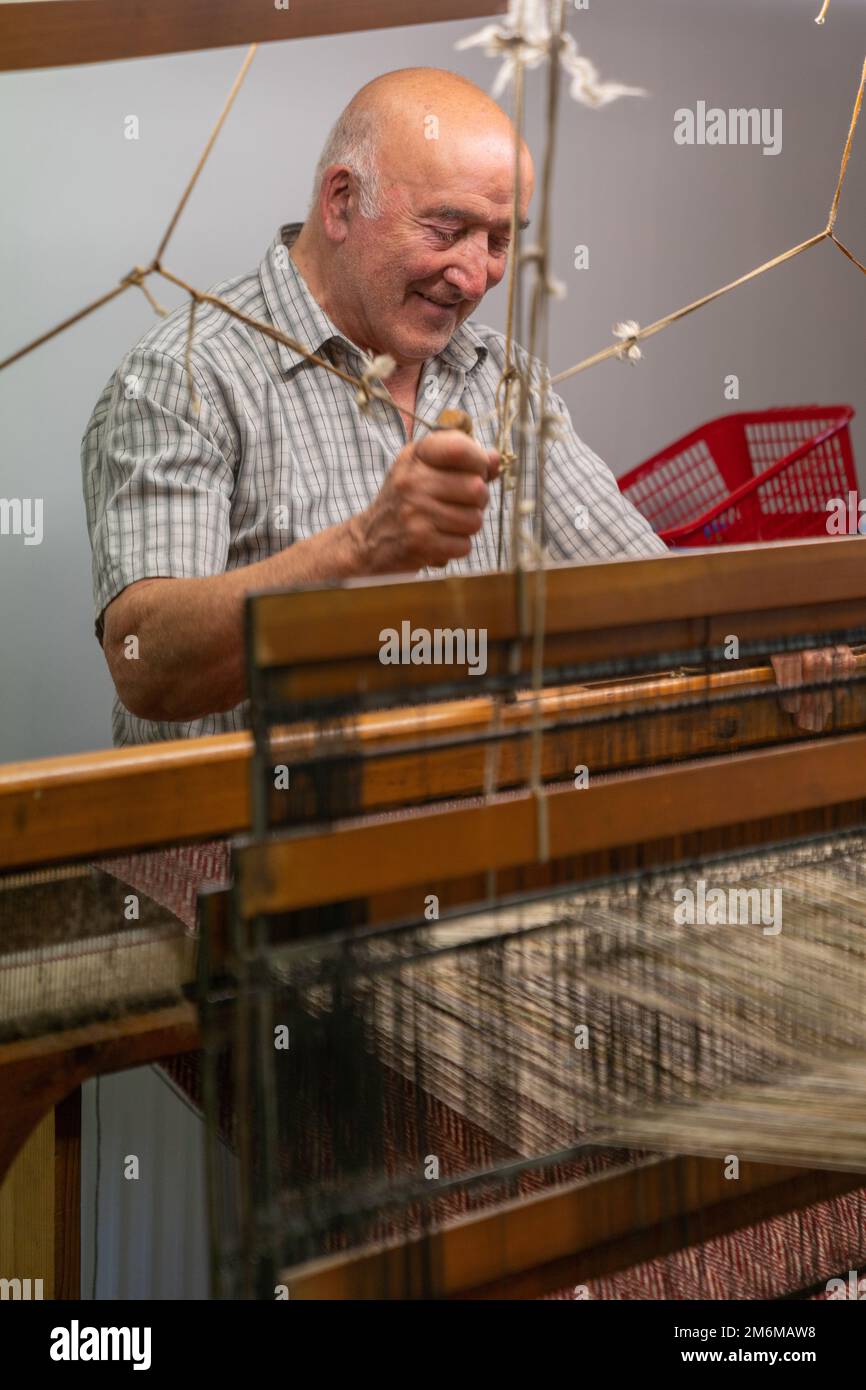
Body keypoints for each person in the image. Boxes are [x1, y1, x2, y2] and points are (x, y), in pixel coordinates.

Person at [81, 66, 666, 746]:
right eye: (447, 229)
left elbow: (650, 592)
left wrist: (795, 630)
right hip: (241, 845)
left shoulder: (502, 378)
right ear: (342, 202)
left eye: (500, 240)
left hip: (454, 832)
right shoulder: (182, 374)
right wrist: (363, 548)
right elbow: (146, 666)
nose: (475, 276)